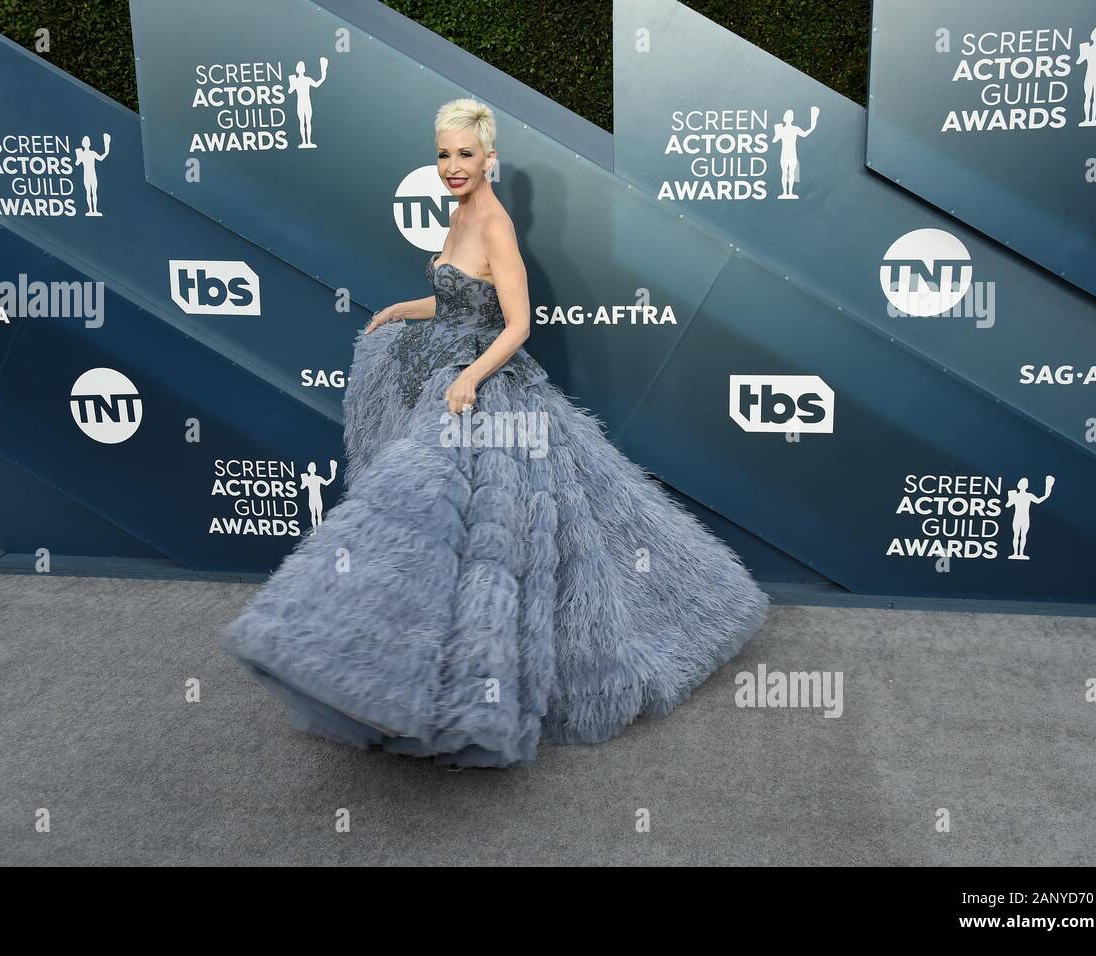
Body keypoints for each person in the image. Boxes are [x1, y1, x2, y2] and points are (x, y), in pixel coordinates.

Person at [223, 98, 769, 767]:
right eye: (444, 154)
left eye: (465, 155)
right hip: (438, 376)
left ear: (490, 159)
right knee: (437, 532)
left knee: (490, 537)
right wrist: (406, 307)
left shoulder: (498, 224)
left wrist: (469, 380)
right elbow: (459, 298)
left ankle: (459, 689)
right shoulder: (458, 213)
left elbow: (515, 324)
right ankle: (396, 673)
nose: (453, 167)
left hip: (480, 391)